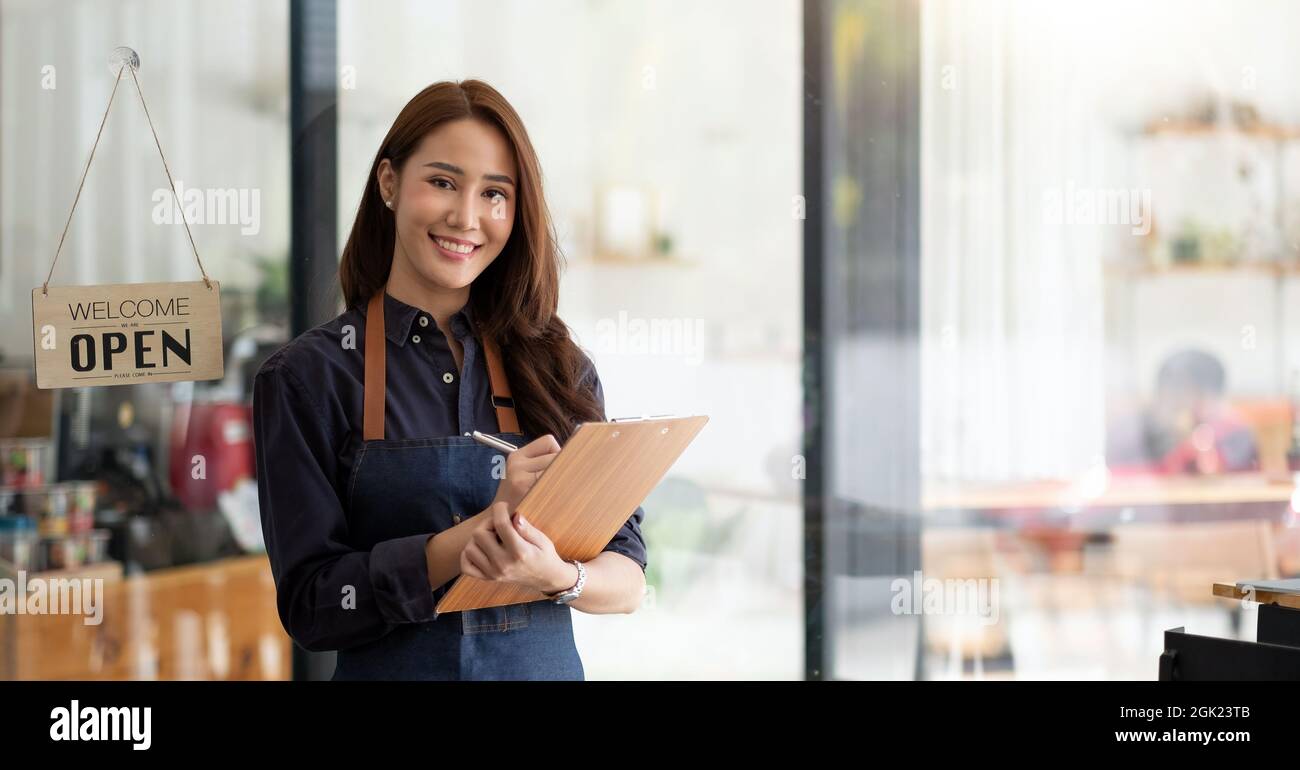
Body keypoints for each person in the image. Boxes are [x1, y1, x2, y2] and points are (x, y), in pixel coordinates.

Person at [252, 80, 648, 680]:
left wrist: (558, 577)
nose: (466, 217)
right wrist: (462, 542)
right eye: (442, 182)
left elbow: (628, 581)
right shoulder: (308, 378)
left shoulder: (559, 368)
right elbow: (313, 609)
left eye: (495, 193)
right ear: (389, 183)